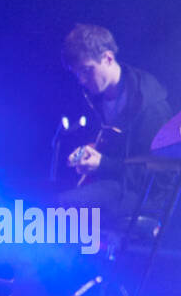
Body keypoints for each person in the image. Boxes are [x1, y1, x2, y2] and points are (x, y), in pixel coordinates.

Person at [59, 23, 173, 225]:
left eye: (87, 70)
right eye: (78, 74)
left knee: (64, 207)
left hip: (142, 195)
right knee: (43, 193)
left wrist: (103, 164)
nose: (82, 80)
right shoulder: (95, 97)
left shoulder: (149, 106)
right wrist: (90, 152)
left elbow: (158, 175)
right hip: (112, 184)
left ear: (108, 58)